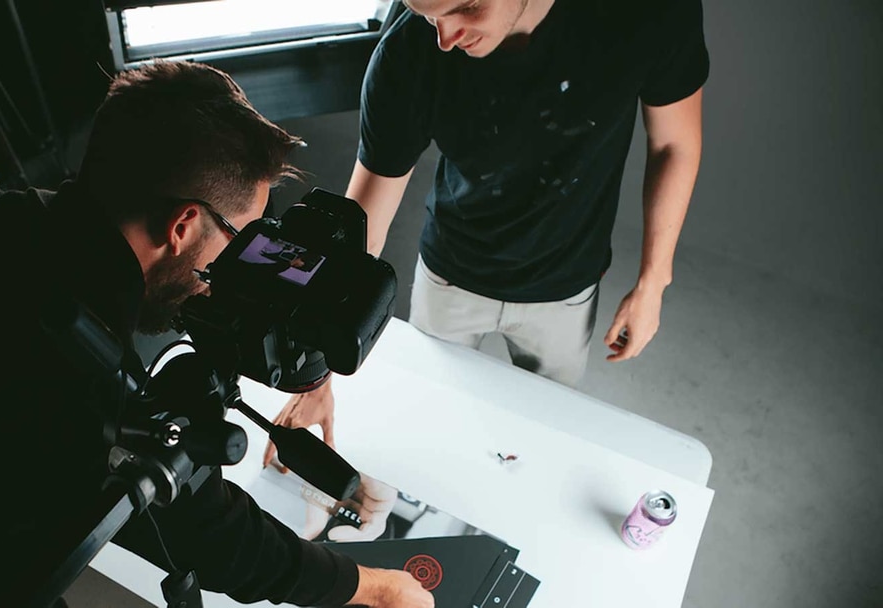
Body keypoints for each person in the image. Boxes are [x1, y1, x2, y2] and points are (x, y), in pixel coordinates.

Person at [0, 60, 432, 608]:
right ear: (182, 226)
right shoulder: (85, 392)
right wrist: (372, 588)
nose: (243, 262)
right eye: (240, 238)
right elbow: (214, 538)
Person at [264, 0, 708, 467]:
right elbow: (360, 229)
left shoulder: (650, 11)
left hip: (566, 285)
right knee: (427, 420)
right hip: (451, 272)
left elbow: (674, 142)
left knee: (538, 438)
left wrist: (653, 282)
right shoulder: (409, 50)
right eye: (427, 14)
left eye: (467, 7)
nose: (445, 38)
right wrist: (316, 378)